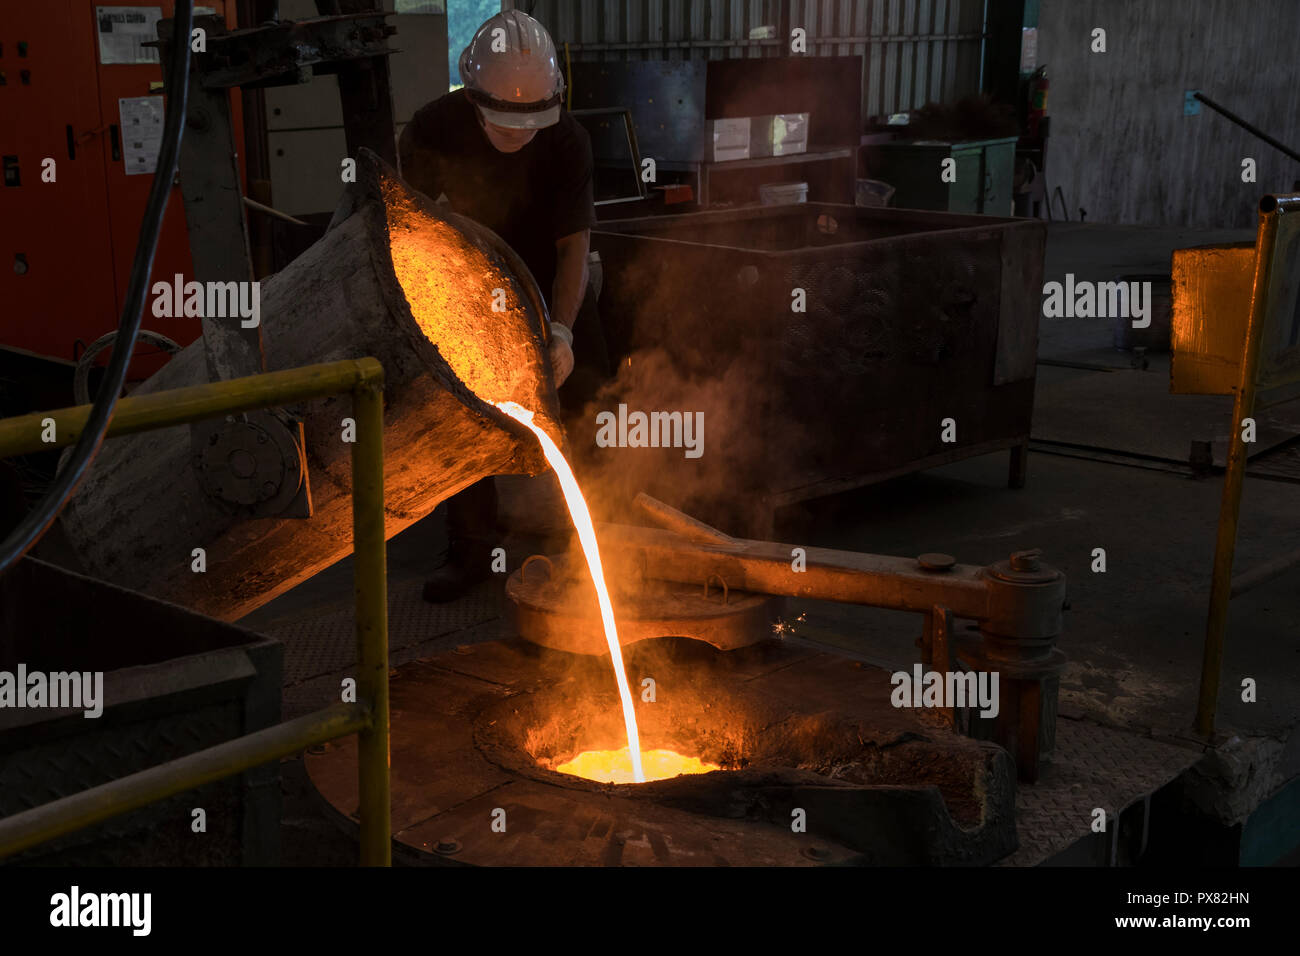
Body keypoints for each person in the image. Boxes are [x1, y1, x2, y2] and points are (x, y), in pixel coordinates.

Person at [399, 9, 601, 603]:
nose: (517, 134)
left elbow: (574, 251)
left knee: (590, 403)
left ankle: (589, 550)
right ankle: (470, 549)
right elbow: (401, 223)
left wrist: (562, 333)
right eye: (502, 122)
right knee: (463, 415)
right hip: (469, 288)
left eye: (530, 122)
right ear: (473, 94)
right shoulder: (435, 127)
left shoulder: (567, 142)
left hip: (552, 283)